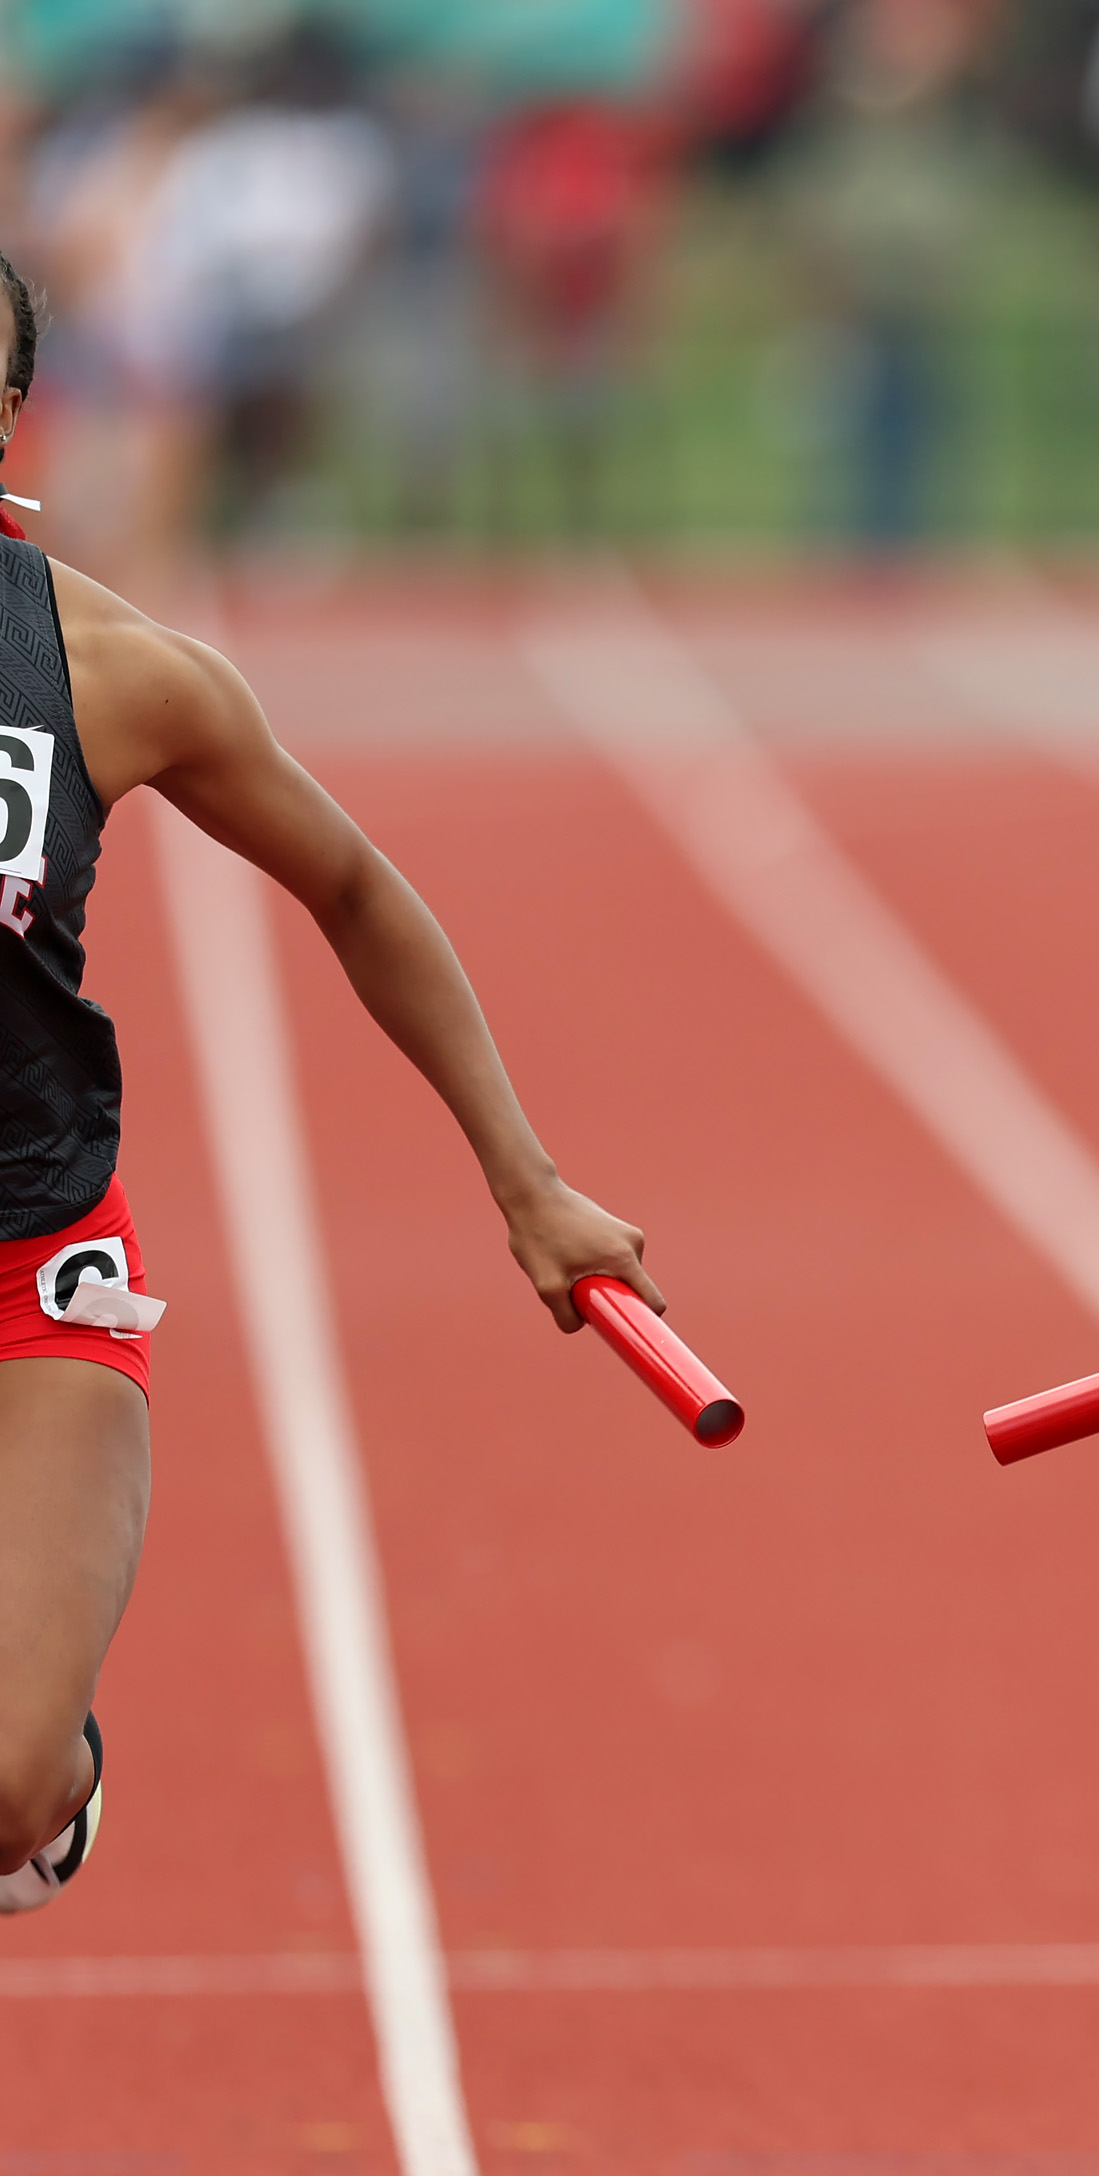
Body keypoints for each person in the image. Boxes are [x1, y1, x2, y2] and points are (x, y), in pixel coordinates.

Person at [0, 250, 659, 1917]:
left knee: (0, 1779)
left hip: (31, 1255)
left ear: (9, 413)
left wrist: (526, 1179)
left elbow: (355, 887)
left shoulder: (109, 671)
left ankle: (55, 1783)